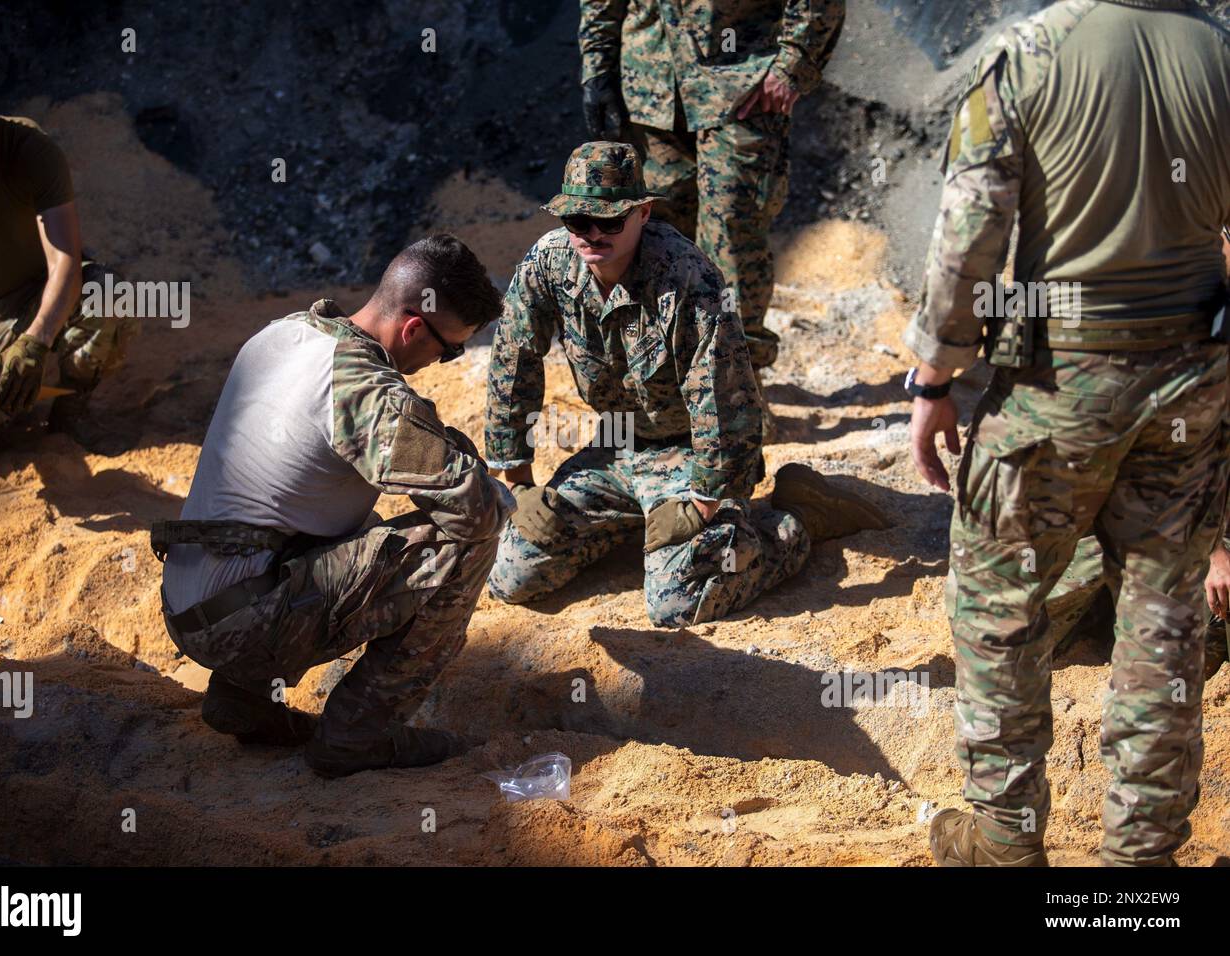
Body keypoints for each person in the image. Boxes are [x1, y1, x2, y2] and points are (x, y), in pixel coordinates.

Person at [906, 1, 1230, 866]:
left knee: (997, 604)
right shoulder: (1220, 50)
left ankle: (1005, 841)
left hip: (1060, 388)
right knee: (1163, 620)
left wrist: (935, 376)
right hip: (1192, 385)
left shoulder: (1031, 52)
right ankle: (1141, 862)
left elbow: (970, 235)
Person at [153, 235, 513, 777]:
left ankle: (242, 699)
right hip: (244, 622)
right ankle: (355, 737)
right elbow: (475, 507)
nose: (444, 361)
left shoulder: (288, 331)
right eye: (450, 347)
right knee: (468, 538)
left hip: (192, 603)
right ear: (414, 327)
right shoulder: (364, 389)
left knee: (354, 522)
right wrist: (492, 488)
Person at [485, 141, 886, 628]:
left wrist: (701, 504)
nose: (592, 234)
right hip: (616, 447)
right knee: (513, 574)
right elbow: (514, 360)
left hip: (692, 456)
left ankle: (796, 519)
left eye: (610, 222)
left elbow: (727, 401)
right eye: (577, 221)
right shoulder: (548, 264)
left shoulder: (687, 279)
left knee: (676, 600)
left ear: (643, 213)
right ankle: (632, 524)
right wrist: (521, 483)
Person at [578, 0, 845, 373]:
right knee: (656, 239)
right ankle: (669, 382)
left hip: (740, 86)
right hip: (650, 84)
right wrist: (598, 68)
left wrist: (793, 66)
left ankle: (734, 387)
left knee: (732, 235)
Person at [0, 39, 136, 478]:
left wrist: (36, 341)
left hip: (41, 292)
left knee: (114, 296)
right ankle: (9, 413)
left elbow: (65, 261)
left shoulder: (29, 151)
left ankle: (70, 407)